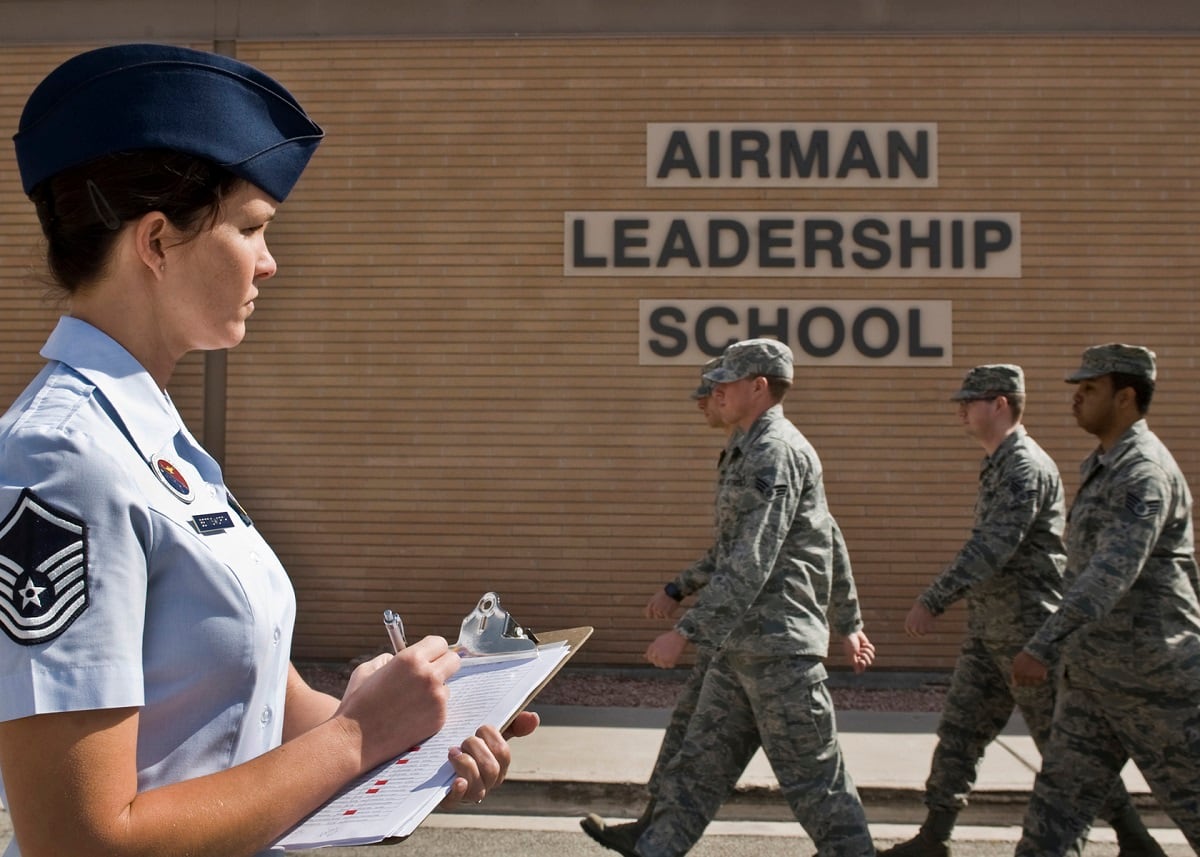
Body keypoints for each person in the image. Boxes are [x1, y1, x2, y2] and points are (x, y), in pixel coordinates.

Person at [0, 44, 536, 857]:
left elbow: (258, 711)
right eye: (251, 228)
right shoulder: (60, 460)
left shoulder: (155, 445)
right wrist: (357, 736)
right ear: (155, 242)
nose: (270, 261)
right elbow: (78, 838)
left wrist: (421, 723)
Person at [586, 338, 876, 857]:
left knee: (815, 781)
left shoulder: (776, 451)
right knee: (698, 762)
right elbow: (743, 547)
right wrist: (680, 588)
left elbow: (755, 557)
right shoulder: (746, 449)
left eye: (726, 381)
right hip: (738, 645)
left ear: (759, 386)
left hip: (779, 650)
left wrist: (685, 633)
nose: (715, 391)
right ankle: (654, 844)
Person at [881, 365, 1163, 857]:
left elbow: (995, 544)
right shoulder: (997, 463)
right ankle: (934, 836)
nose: (961, 410)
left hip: (1030, 633)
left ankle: (1134, 836)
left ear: (1002, 404)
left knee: (1066, 746)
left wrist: (934, 597)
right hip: (990, 632)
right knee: (960, 732)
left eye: (971, 400)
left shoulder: (1024, 466)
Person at [1013, 344, 1200, 855]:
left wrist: (1043, 645)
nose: (1077, 399)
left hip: (1153, 684)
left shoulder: (1143, 473)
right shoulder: (1102, 465)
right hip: (1093, 684)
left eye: (1089, 389)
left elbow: (1107, 577)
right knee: (1049, 829)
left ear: (1127, 398)